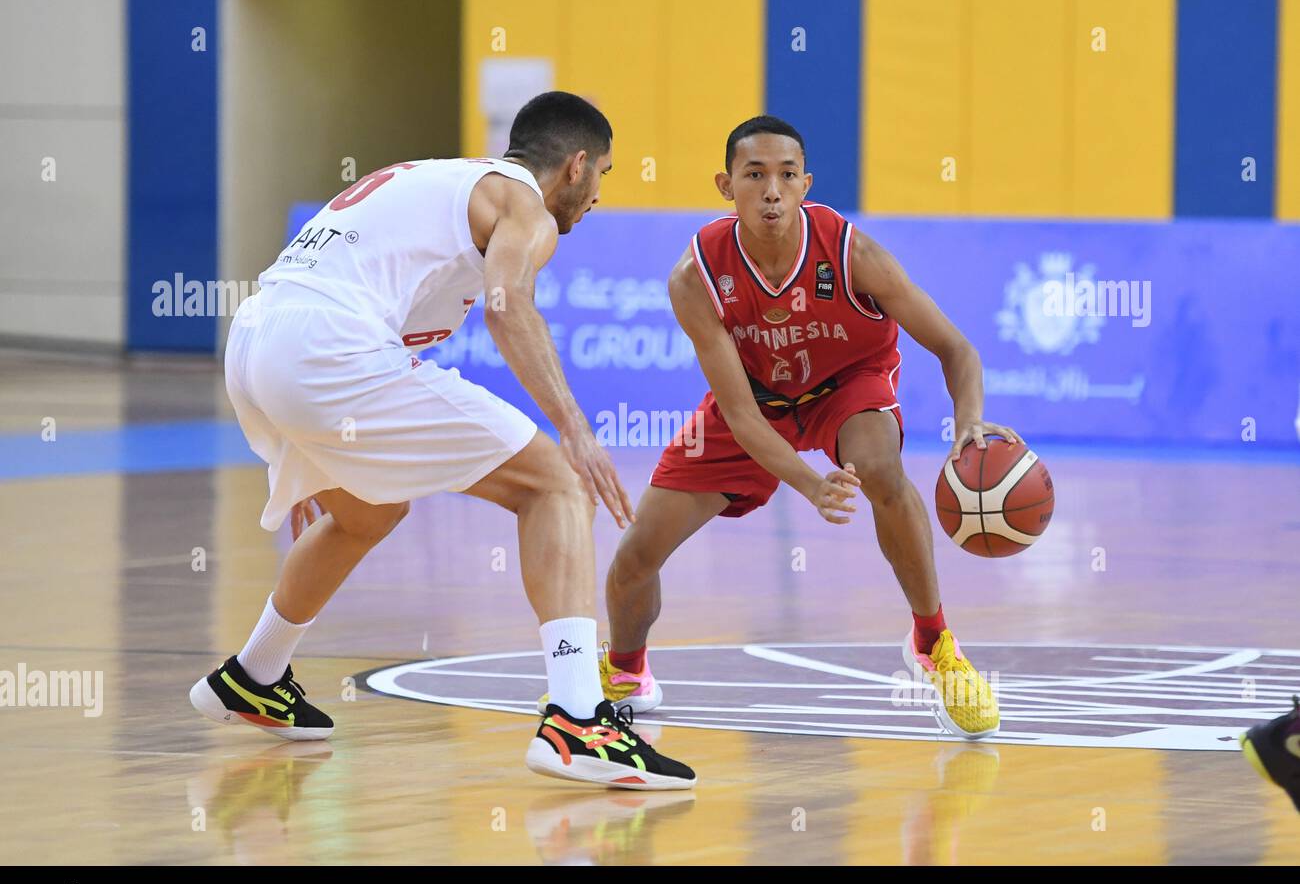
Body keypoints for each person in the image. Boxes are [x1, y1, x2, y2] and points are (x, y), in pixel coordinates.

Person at [190, 91, 696, 791]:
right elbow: (507, 304)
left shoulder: (443, 179)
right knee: (554, 484)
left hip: (255, 342)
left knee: (369, 509)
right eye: (603, 174)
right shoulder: (524, 205)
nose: (598, 196)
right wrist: (574, 427)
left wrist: (312, 430)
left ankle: (253, 675)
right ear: (575, 166)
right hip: (325, 349)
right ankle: (578, 719)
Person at [554, 115, 1017, 739]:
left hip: (846, 384)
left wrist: (969, 424)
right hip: (758, 402)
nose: (771, 190)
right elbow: (740, 415)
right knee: (637, 555)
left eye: (786, 176)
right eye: (754, 175)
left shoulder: (853, 253)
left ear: (806, 185)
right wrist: (808, 483)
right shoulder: (695, 277)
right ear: (726, 185)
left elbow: (957, 349)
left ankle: (932, 642)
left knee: (880, 467)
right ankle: (629, 671)